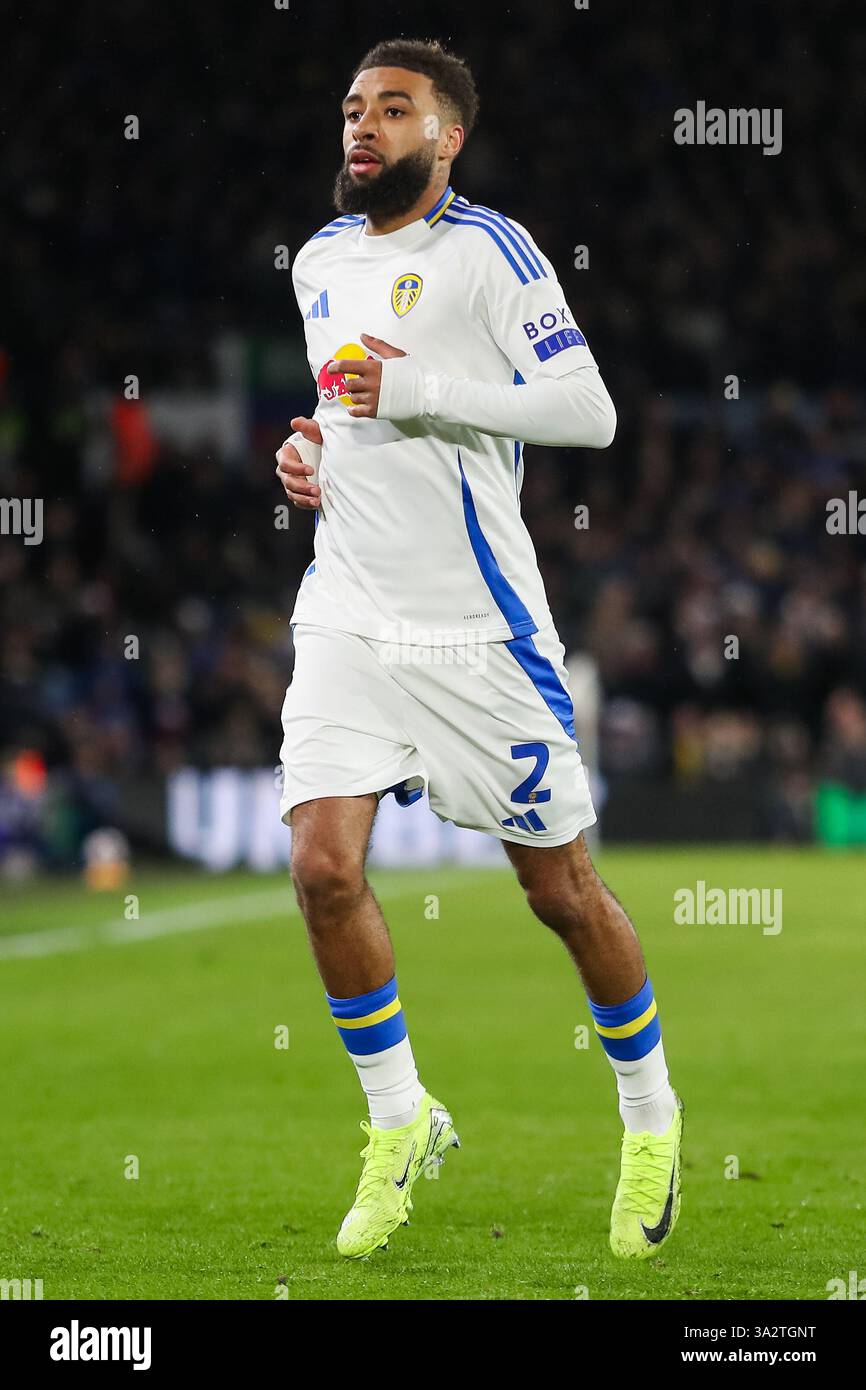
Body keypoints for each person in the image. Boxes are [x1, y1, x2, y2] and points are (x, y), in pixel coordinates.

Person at [275, 37, 683, 1262]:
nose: (362, 126)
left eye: (391, 110)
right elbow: (345, 415)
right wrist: (308, 458)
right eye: (352, 106)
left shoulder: (491, 254)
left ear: (444, 137)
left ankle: (651, 1117)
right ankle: (400, 1120)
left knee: (558, 889)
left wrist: (423, 397)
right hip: (346, 604)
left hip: (476, 632)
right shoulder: (319, 260)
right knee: (321, 868)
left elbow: (587, 412)